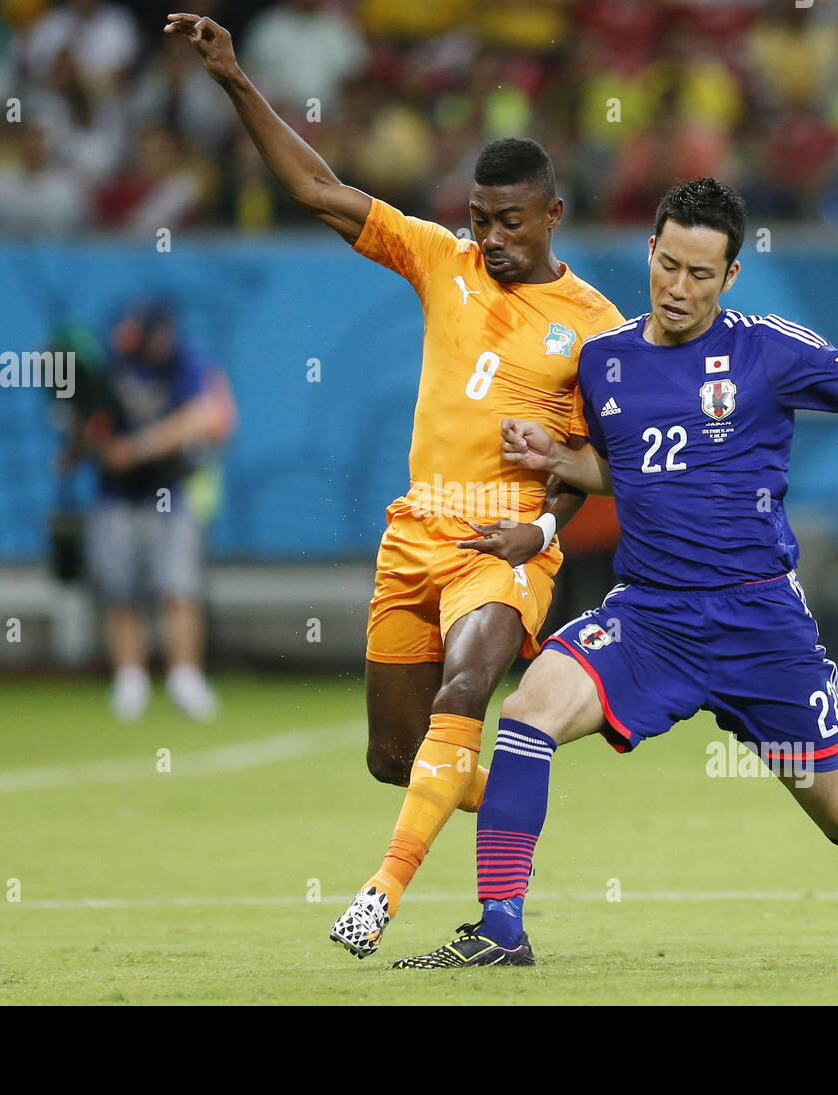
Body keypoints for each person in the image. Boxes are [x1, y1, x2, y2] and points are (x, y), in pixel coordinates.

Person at [395, 177, 838, 968]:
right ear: (650, 251)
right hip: (649, 617)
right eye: (668, 266)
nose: (678, 288)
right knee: (529, 712)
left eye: (699, 274)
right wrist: (560, 460)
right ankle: (500, 929)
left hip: (760, 627)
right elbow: (635, 469)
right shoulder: (604, 361)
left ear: (730, 277)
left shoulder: (771, 350)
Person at [166, 13, 625, 958]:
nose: (490, 238)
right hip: (415, 528)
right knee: (393, 756)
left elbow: (603, 464)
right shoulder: (436, 258)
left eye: (509, 221)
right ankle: (511, 794)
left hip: (503, 540)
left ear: (551, 217)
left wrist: (542, 532)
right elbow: (318, 189)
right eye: (479, 219)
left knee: (470, 683)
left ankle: (384, 891)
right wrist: (235, 80)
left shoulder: (595, 325)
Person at [86, 302, 235, 721]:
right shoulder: (112, 365)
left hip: (170, 491)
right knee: (120, 589)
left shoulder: (184, 363)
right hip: (116, 496)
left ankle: (185, 678)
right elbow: (89, 425)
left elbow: (201, 419)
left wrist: (135, 449)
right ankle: (130, 681)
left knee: (179, 587)